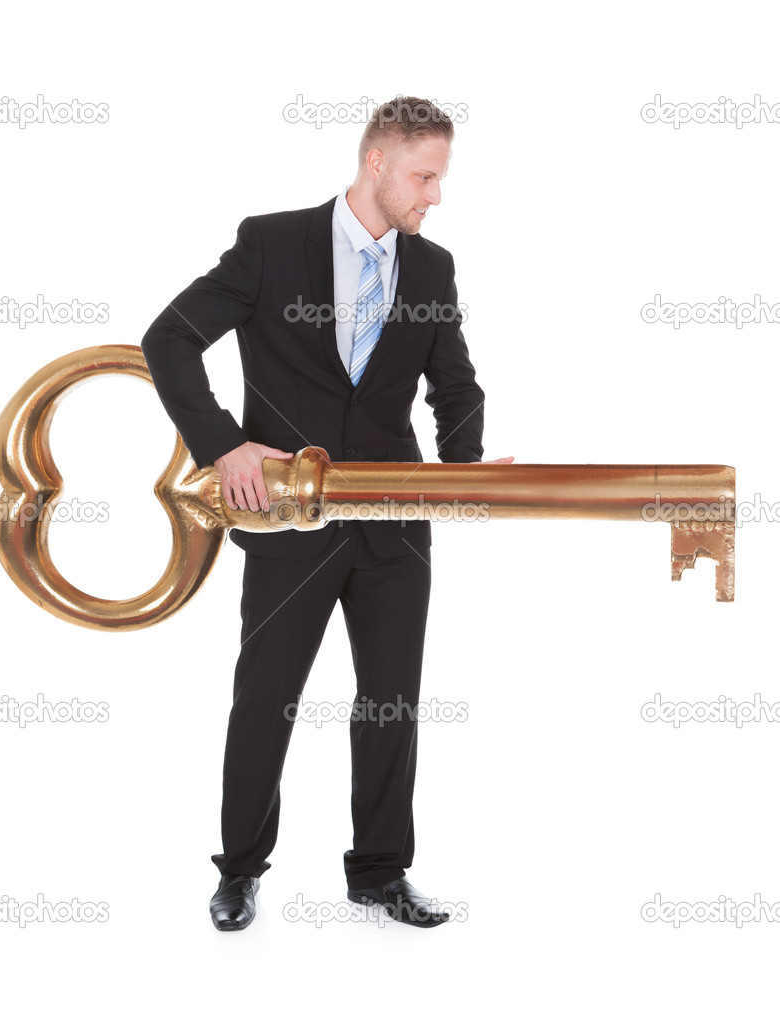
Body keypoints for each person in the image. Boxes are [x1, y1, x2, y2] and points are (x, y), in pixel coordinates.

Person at [141, 95, 511, 930]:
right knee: (264, 698)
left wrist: (465, 471)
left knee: (390, 702)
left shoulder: (431, 268)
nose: (435, 195)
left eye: (440, 178)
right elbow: (169, 338)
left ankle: (379, 871)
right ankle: (239, 870)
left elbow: (454, 384)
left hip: (394, 526)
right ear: (376, 162)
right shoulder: (271, 243)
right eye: (423, 176)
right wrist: (223, 445)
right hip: (285, 520)